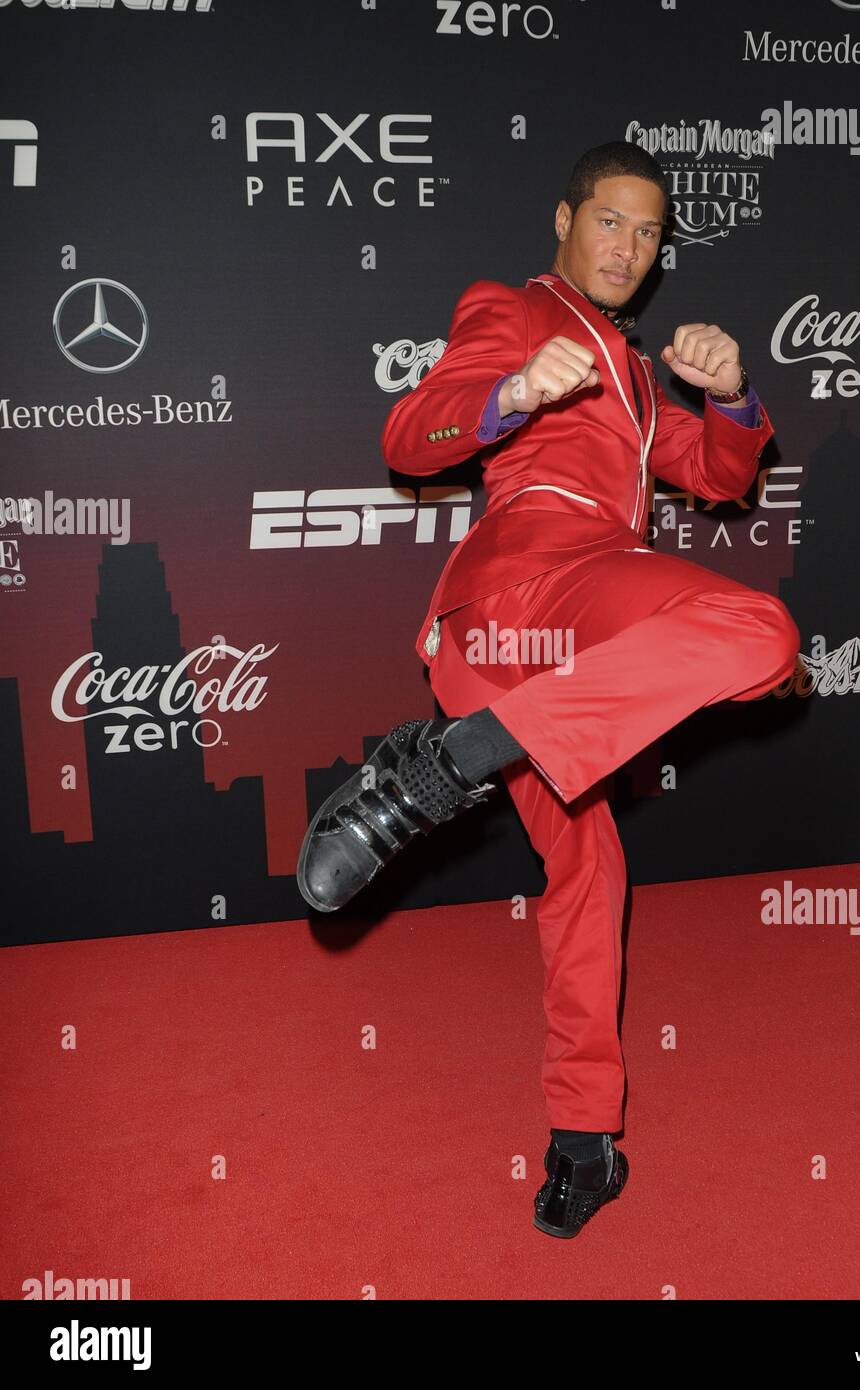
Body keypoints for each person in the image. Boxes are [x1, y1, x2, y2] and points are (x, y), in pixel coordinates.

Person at [297, 141, 801, 1238]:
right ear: (564, 221)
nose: (629, 246)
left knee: (586, 864)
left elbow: (717, 476)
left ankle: (584, 1140)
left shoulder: (630, 370)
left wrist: (731, 393)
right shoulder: (515, 312)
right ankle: (454, 761)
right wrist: (513, 392)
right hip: (529, 584)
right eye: (610, 221)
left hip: (518, 663)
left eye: (649, 232)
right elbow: (407, 435)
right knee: (756, 629)